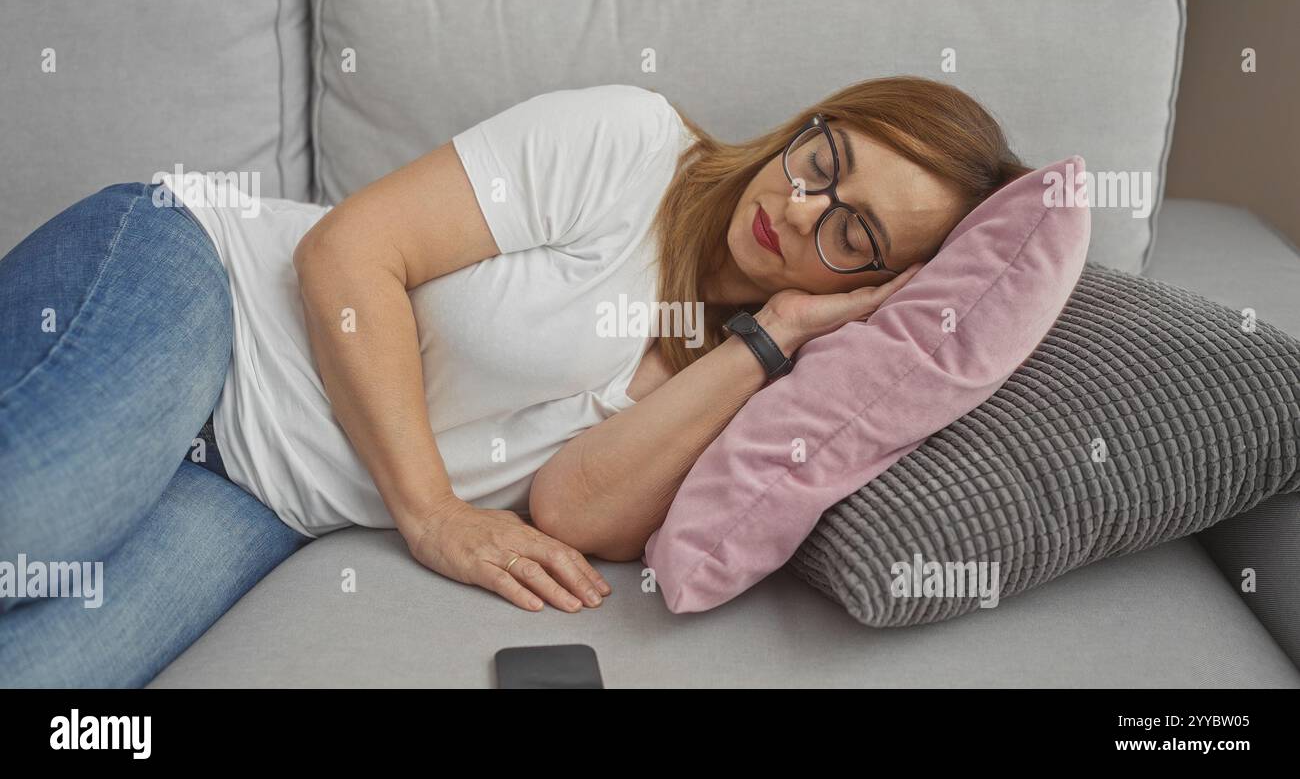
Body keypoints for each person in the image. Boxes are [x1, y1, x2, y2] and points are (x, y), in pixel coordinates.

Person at [0, 76, 1030, 686]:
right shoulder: (632, 144)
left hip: (261, 490)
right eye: (824, 160)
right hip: (195, 290)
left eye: (852, 233)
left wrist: (771, 339)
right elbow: (349, 252)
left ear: (881, 288)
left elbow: (569, 506)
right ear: (811, 121)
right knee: (27, 528)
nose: (801, 210)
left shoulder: (750, 392)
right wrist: (431, 510)